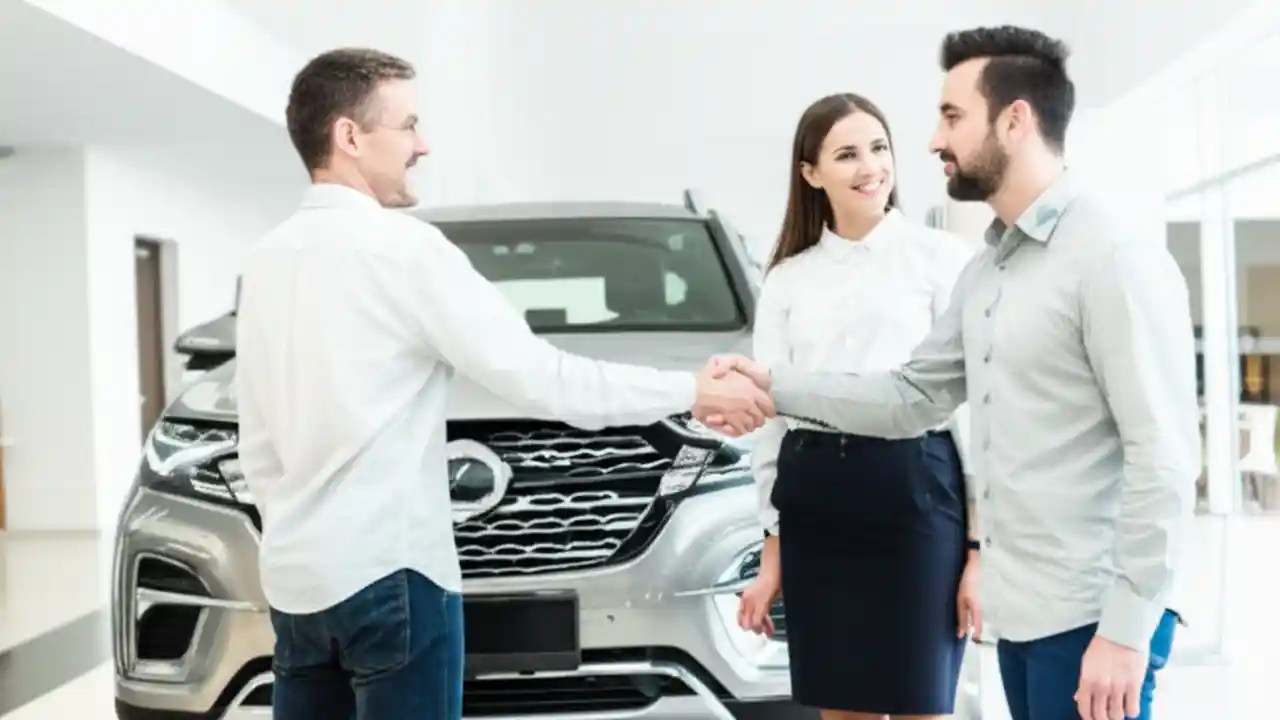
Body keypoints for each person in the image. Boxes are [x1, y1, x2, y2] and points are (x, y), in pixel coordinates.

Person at [233, 48, 772, 720]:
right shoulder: (404, 251)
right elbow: (544, 380)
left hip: (297, 586)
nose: (421, 145)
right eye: (406, 125)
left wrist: (291, 535)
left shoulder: (266, 260)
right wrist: (690, 392)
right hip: (390, 575)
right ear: (349, 135)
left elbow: (254, 437)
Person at [702, 26, 1199, 720]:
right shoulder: (991, 268)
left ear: (1015, 120)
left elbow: (1166, 460)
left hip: (1095, 618)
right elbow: (910, 396)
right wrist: (769, 384)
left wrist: (1126, 630)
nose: (933, 140)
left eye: (951, 116)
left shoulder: (1110, 256)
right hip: (1028, 616)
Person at [733, 92, 980, 720]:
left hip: (917, 492)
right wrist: (771, 554)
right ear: (811, 173)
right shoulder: (787, 277)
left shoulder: (942, 259)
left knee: (925, 703)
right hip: (817, 498)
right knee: (842, 710)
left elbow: (974, 412)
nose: (870, 166)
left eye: (878, 148)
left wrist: (981, 549)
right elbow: (771, 418)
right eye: (846, 154)